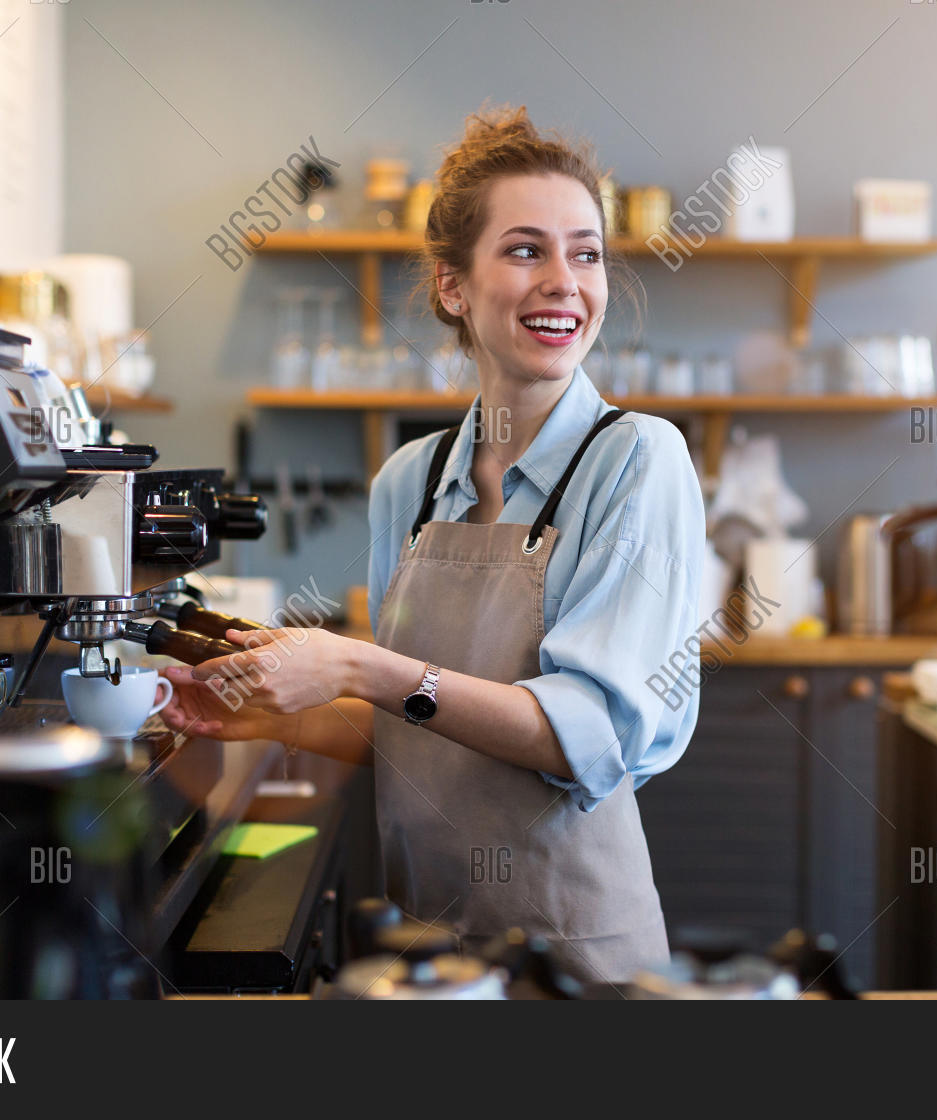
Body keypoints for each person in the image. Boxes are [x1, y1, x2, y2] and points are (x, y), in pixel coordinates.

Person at [162, 105, 705, 984]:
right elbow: (414, 726)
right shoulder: (409, 481)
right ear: (453, 286)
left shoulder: (637, 459)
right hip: (422, 951)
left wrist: (353, 664)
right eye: (525, 250)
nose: (564, 282)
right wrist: (269, 713)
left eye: (586, 253)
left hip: (572, 958)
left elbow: (588, 737)